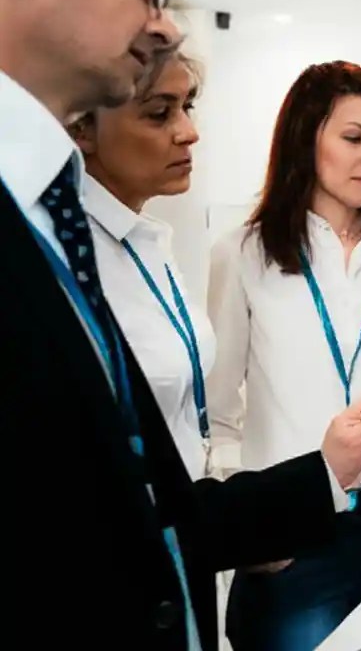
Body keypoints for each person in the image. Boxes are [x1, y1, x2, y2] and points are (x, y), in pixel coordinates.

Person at [0, 0, 361, 648]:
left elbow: (130, 496)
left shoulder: (113, 236)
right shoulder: (208, 247)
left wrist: (317, 480)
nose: (165, 22)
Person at [207, 60, 361, 650]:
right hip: (295, 541)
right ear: (305, 137)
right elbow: (217, 413)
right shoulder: (243, 253)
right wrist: (254, 530)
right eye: (354, 138)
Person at [70, 49, 211, 480]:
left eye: (187, 107)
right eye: (159, 113)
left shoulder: (147, 239)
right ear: (82, 129)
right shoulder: (71, 253)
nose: (189, 133)